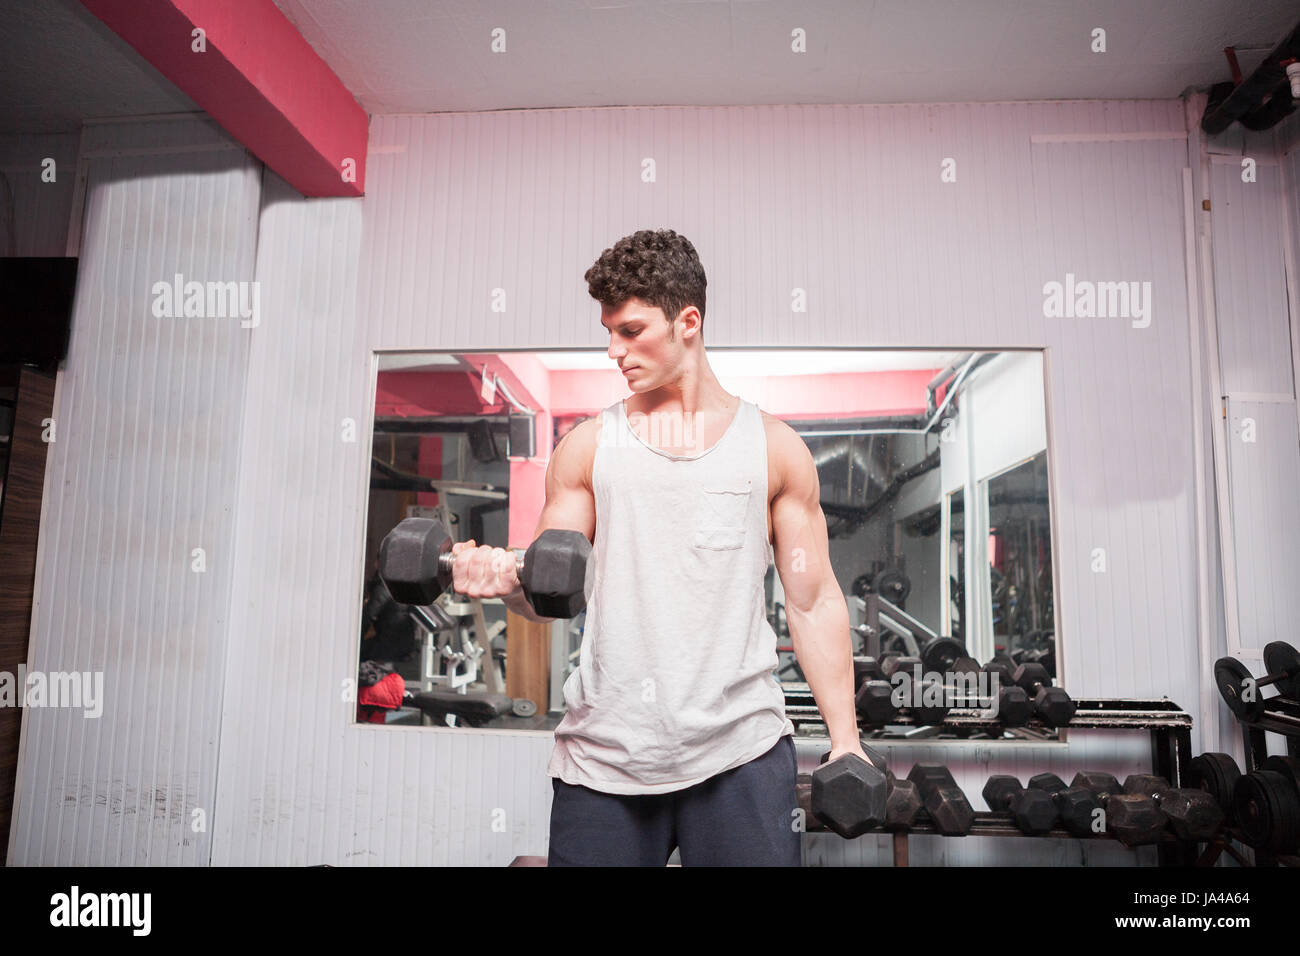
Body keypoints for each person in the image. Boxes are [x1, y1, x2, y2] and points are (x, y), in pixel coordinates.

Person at [450, 229, 865, 866]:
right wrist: (500, 580)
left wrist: (846, 742)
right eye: (608, 331)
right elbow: (548, 594)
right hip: (607, 757)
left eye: (632, 330)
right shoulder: (589, 448)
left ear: (687, 322)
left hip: (741, 752)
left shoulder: (774, 450)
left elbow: (812, 602)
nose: (614, 350)